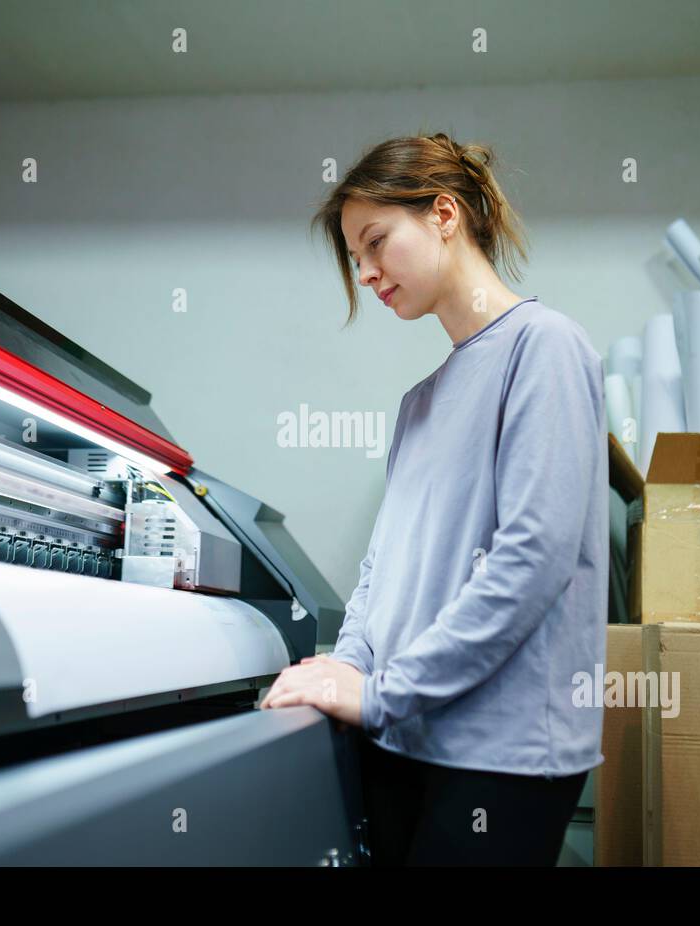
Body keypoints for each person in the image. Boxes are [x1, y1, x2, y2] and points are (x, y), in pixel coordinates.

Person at [260, 131, 607, 866]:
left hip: (500, 753)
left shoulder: (544, 347)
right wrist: (344, 670)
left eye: (376, 242)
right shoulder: (419, 403)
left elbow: (533, 560)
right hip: (400, 733)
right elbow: (381, 569)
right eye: (357, 259)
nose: (368, 273)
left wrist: (381, 693)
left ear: (444, 214)